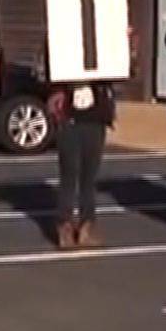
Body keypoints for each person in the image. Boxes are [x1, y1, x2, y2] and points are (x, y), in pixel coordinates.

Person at [48, 76, 114, 250]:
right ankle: (65, 226)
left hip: (96, 117)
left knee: (89, 177)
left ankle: (86, 226)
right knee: (69, 175)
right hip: (69, 117)